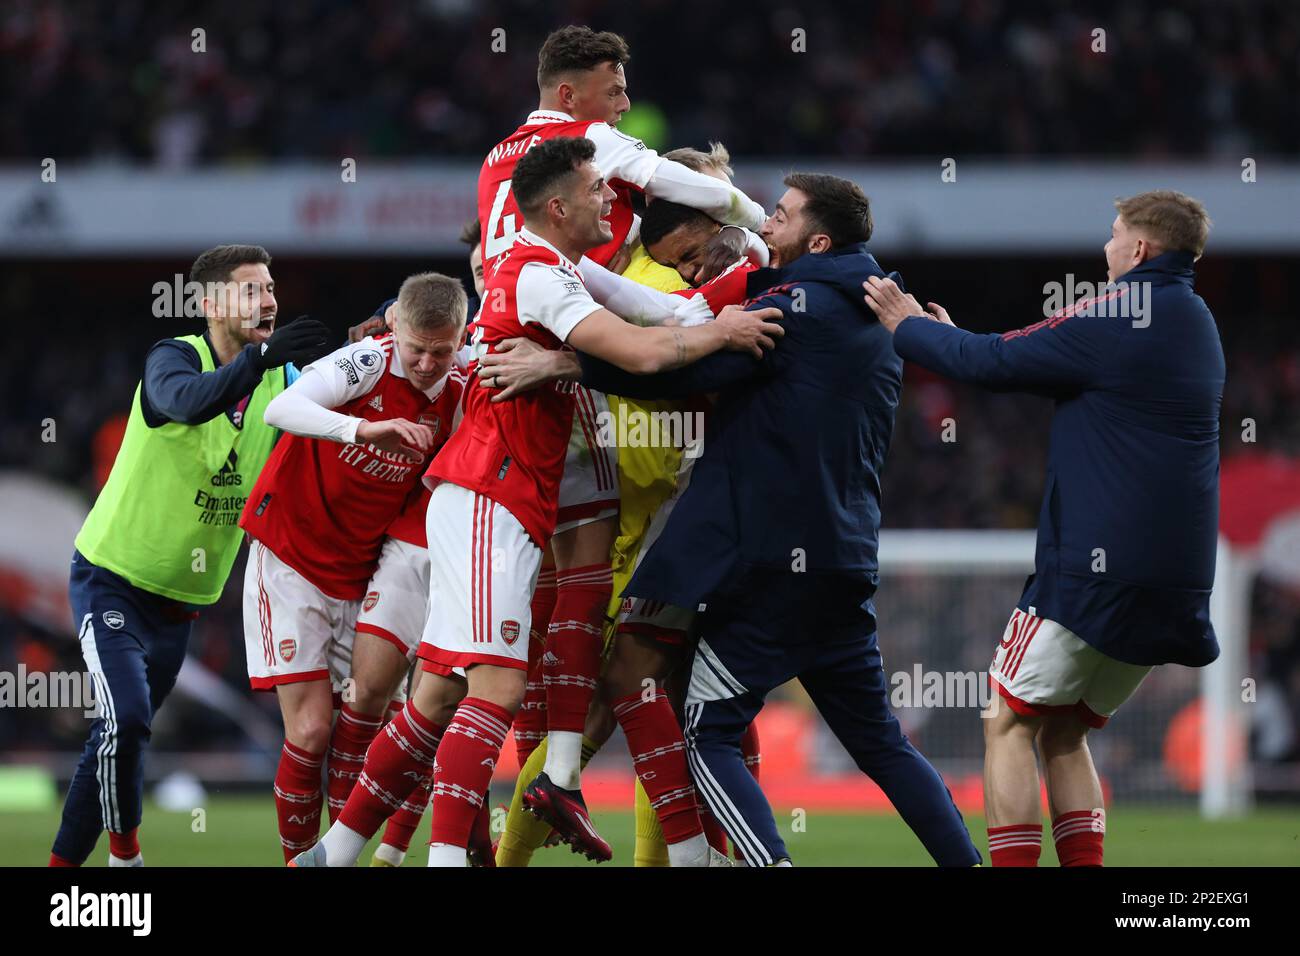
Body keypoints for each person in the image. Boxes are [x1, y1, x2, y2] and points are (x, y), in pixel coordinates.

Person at [291, 135, 780, 868]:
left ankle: (335, 850)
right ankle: (452, 857)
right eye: (597, 190)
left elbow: (666, 314)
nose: (613, 200)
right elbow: (645, 353)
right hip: (495, 493)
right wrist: (727, 329)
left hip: (491, 496)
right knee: (497, 683)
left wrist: (749, 272)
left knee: (434, 698)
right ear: (559, 205)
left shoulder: (555, 265)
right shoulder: (538, 274)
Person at [577, 173, 982, 867]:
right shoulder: (886, 312)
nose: (768, 223)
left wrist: (572, 361)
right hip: (844, 559)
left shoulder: (794, 305)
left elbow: (680, 374)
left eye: (785, 216)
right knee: (882, 744)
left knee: (706, 732)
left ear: (817, 241)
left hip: (774, 566)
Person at [864, 189, 1222, 867]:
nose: (1107, 247)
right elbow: (1043, 362)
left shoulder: (1120, 308)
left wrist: (908, 326)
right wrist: (957, 339)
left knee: (1005, 719)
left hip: (1094, 567)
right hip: (1176, 574)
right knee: (1066, 729)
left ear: (1140, 249)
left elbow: (996, 361)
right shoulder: (1195, 319)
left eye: (1115, 234)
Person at [478, 27, 770, 855]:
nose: (729, 237)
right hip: (609, 512)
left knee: (659, 703)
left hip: (658, 517)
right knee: (607, 698)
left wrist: (725, 297)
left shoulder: (622, 274)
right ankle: (480, 838)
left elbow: (674, 322)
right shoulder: (611, 270)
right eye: (711, 217)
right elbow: (646, 351)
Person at [51, 244, 331, 867]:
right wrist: (261, 359)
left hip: (182, 605)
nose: (269, 300)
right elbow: (187, 403)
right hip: (111, 581)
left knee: (116, 734)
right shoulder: (173, 359)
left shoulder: (283, 383)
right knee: (125, 720)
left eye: (271, 287)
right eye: (251, 289)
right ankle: (126, 859)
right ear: (209, 305)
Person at [238, 272, 468, 862]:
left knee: (363, 724)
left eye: (441, 351)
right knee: (311, 731)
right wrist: (364, 428)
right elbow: (283, 409)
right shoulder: (366, 362)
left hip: (359, 573)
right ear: (397, 326)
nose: (425, 362)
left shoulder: (462, 387)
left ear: (460, 339)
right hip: (289, 556)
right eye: (416, 346)